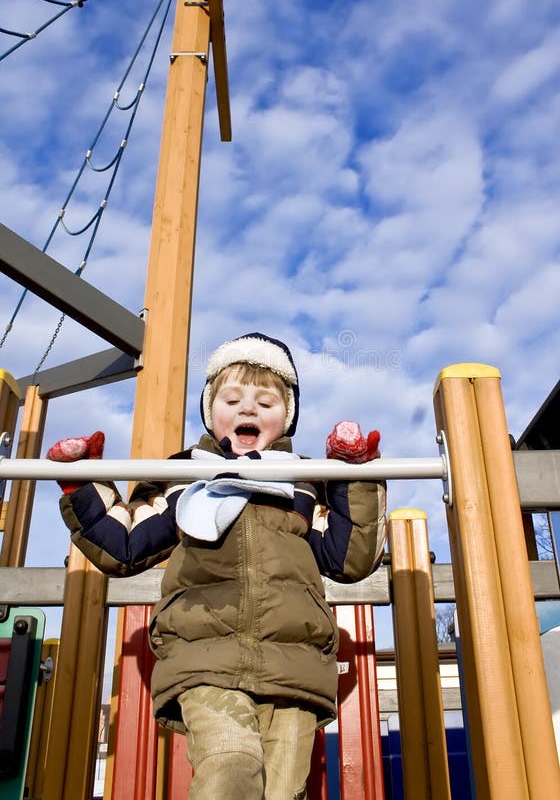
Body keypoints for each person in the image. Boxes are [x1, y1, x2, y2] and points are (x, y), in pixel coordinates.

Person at [51, 332, 386, 800]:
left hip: (294, 667)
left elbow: (348, 557)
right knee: (231, 765)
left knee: (283, 790)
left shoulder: (302, 482)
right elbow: (125, 544)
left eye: (266, 402)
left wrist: (355, 476)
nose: (248, 410)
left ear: (286, 416)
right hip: (203, 656)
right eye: (233, 399)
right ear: (211, 410)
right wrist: (82, 481)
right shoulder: (188, 475)